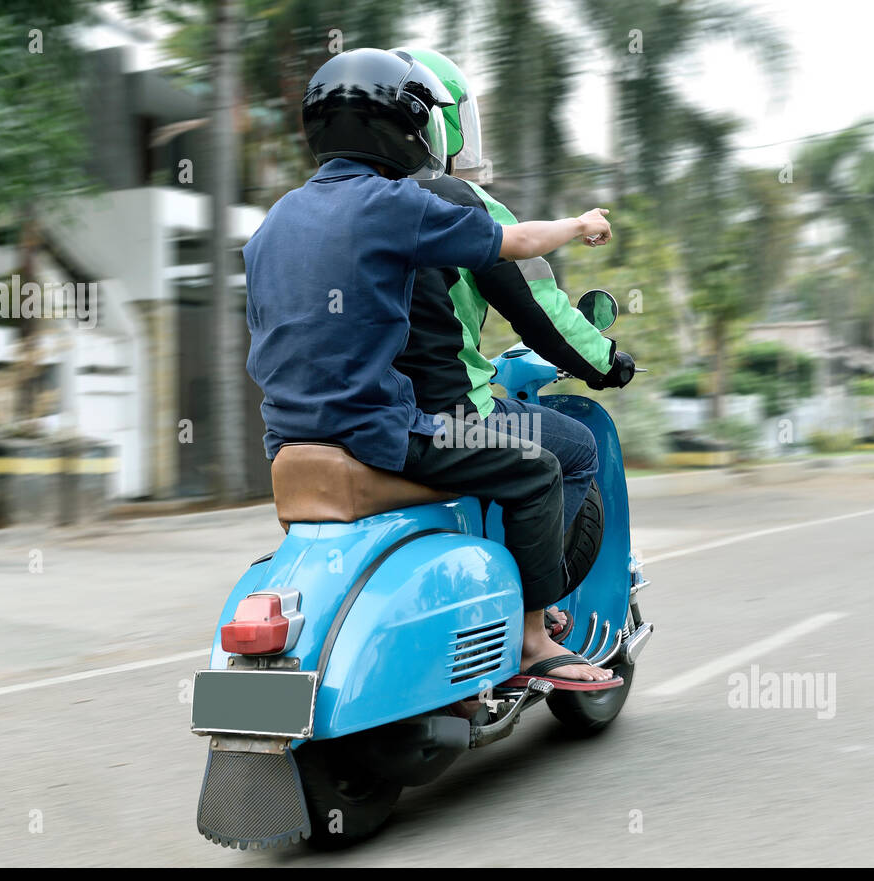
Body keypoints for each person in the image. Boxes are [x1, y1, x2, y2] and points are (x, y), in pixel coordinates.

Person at [243, 48, 614, 682]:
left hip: (288, 440)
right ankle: (533, 638)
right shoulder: (394, 204)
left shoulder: (275, 221)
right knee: (541, 466)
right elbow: (516, 246)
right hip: (383, 431)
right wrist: (581, 224)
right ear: (405, 127)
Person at [390, 48, 636, 638]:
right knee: (574, 449)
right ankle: (532, 617)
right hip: (446, 417)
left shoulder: (331, 208)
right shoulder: (457, 204)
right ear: (442, 122)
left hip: (352, 416)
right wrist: (608, 364)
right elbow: (543, 314)